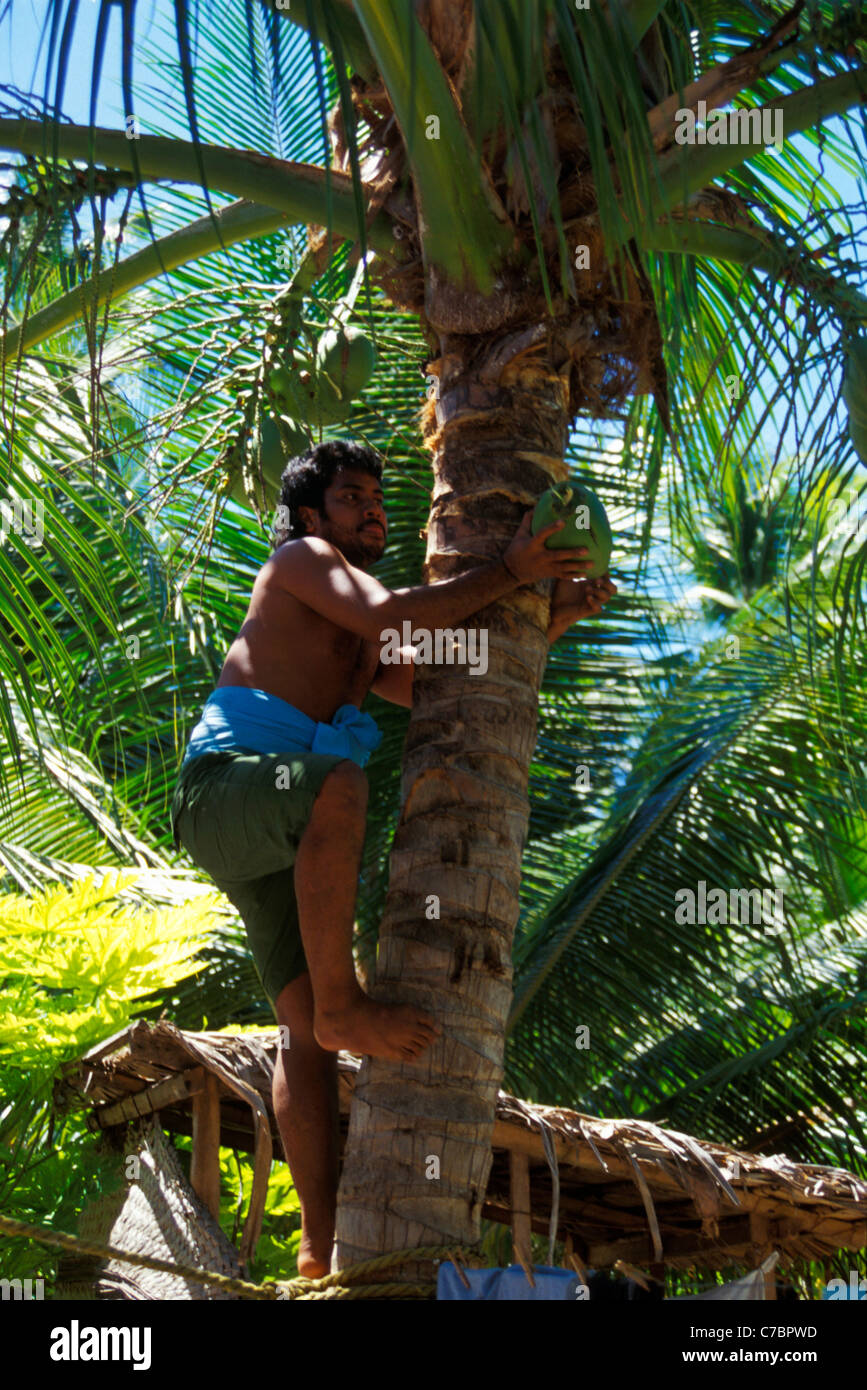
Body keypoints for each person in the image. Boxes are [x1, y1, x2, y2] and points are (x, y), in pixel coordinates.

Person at [170, 439, 616, 1275]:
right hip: (226, 790)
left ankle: (319, 1243)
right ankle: (345, 1005)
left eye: (376, 497)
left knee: (301, 1037)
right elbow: (389, 618)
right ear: (309, 516)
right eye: (350, 497)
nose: (371, 508)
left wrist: (549, 618)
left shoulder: (358, 633)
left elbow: (441, 677)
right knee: (340, 784)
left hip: (266, 829)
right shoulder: (302, 560)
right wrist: (516, 569)